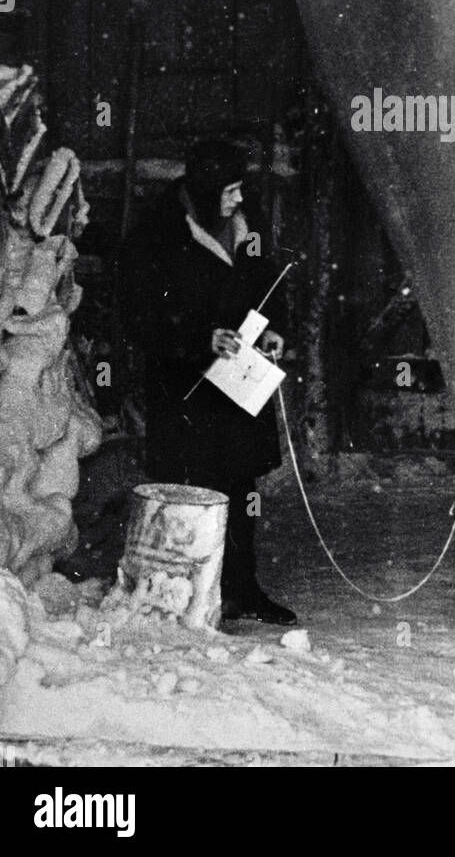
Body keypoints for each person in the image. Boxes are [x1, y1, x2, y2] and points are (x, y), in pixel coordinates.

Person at [120, 137, 297, 626]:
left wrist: (274, 329)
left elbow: (268, 281)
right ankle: (187, 594)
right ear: (203, 188)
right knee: (192, 488)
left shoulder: (247, 224)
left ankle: (242, 589)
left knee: (242, 488)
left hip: (238, 382)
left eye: (241, 188)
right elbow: (138, 313)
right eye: (230, 190)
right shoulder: (156, 234)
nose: (239, 199)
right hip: (187, 390)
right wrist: (200, 337)